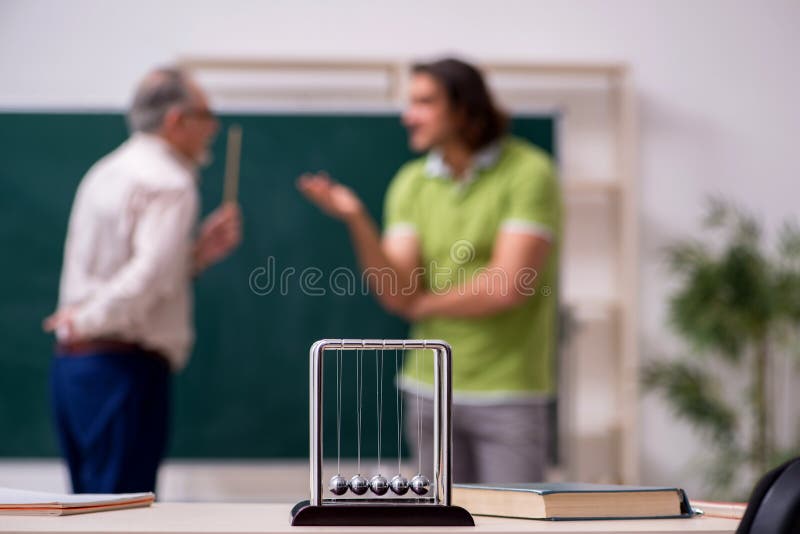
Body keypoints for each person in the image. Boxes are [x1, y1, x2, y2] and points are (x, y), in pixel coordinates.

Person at [298, 57, 561, 484]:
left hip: (509, 393)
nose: (408, 116)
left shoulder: (530, 173)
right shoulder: (411, 183)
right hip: (427, 390)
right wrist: (356, 218)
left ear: (463, 108)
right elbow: (395, 290)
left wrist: (420, 304)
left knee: (515, 522)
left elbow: (508, 286)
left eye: (423, 102)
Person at [43, 67, 242, 493]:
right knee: (119, 510)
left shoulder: (105, 170)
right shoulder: (172, 183)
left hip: (74, 367)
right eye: (206, 115)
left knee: (89, 506)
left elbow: (135, 269)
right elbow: (146, 277)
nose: (214, 128)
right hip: (122, 367)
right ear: (176, 120)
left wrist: (194, 255)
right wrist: (87, 321)